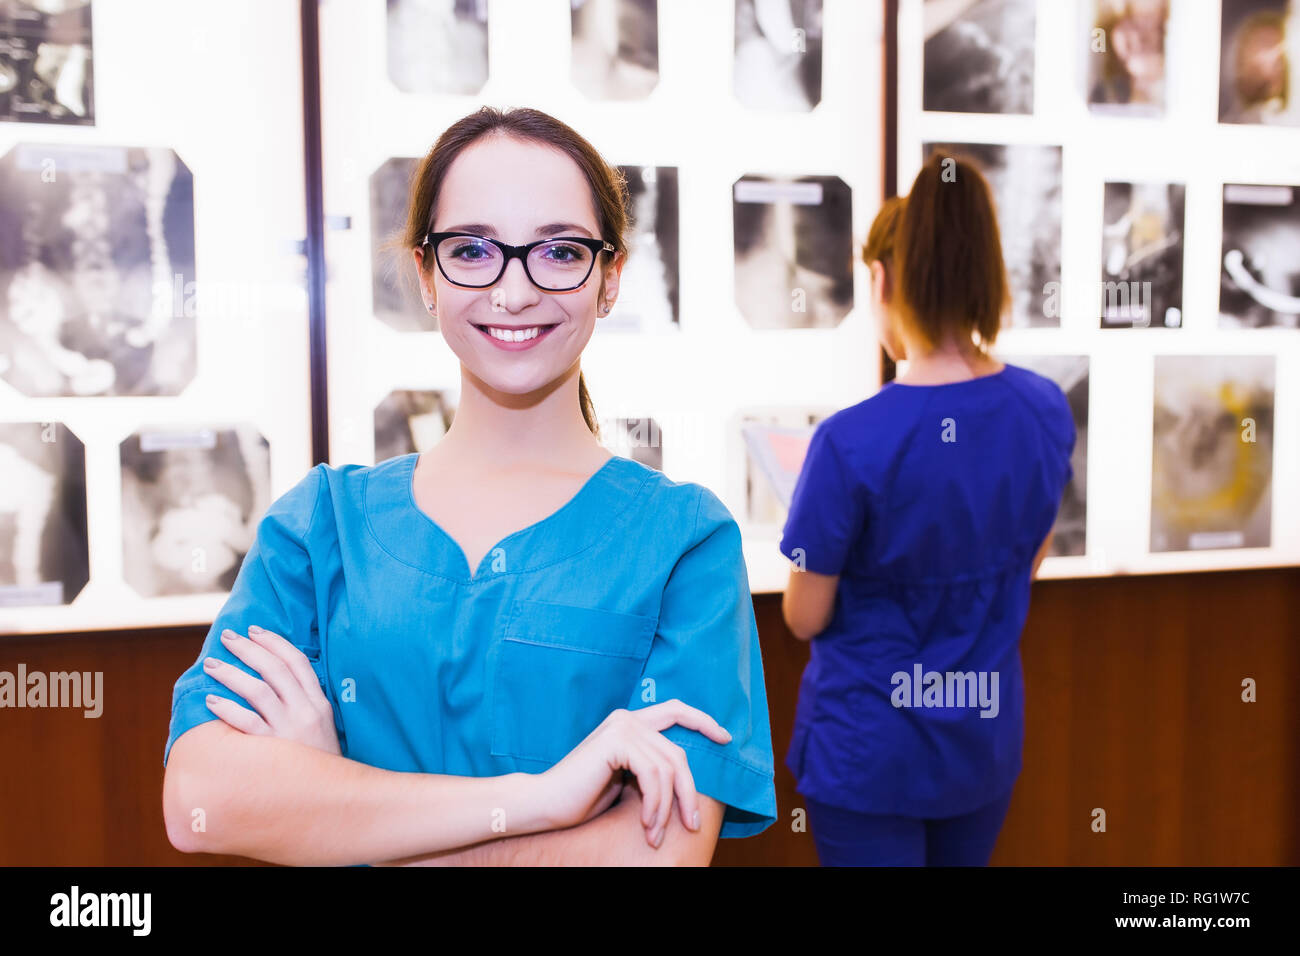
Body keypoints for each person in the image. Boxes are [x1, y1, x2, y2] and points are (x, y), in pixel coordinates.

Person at [161, 106, 777, 867]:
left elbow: (656, 857)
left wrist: (332, 805)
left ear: (610, 277)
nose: (513, 292)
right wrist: (542, 798)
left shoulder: (684, 540)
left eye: (557, 251)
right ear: (425, 273)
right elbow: (202, 802)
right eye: (473, 249)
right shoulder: (322, 525)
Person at [779, 154, 1075, 866]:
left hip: (870, 755)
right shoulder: (1044, 409)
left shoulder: (850, 442)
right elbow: (1026, 563)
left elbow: (803, 616)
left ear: (884, 279)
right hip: (980, 745)